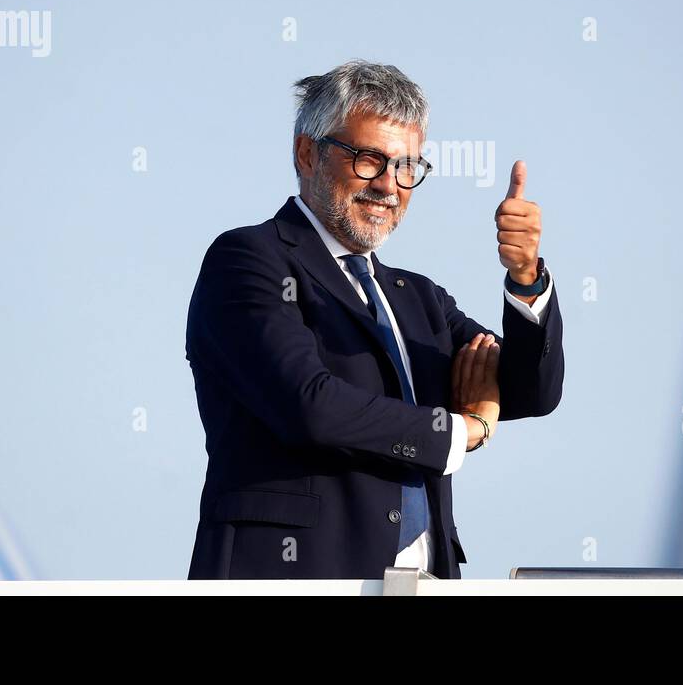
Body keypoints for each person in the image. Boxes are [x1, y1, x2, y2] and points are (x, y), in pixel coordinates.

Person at [185, 60, 565, 579]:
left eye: (407, 166)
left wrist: (525, 278)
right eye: (369, 159)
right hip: (295, 579)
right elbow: (310, 406)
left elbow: (529, 391)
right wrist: (464, 431)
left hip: (425, 584)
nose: (389, 185)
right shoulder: (249, 259)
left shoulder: (419, 298)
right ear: (307, 154)